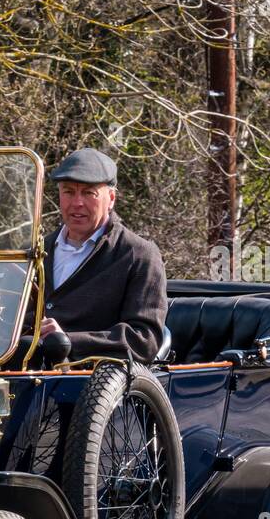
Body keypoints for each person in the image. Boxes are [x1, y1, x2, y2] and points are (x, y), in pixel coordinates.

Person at [24, 147, 167, 362]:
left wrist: (70, 341)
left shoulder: (138, 255)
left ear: (110, 198)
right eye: (69, 192)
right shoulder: (33, 252)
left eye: (89, 193)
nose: (77, 203)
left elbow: (144, 339)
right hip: (23, 378)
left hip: (95, 385)